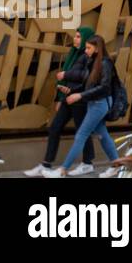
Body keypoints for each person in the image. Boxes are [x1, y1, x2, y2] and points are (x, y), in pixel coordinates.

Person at [43, 36, 121, 177]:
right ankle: (117, 165)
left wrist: (80, 96)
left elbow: (104, 87)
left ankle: (62, 171)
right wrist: (72, 91)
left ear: (97, 48)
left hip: (100, 103)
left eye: (89, 48)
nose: (86, 51)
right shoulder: (92, 62)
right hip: (93, 103)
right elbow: (87, 83)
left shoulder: (105, 63)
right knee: (102, 134)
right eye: (86, 48)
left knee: (81, 135)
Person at [25, 27, 97, 177]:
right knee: (55, 128)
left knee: (82, 132)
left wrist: (67, 75)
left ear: (86, 39)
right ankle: (46, 164)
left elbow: (86, 77)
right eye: (75, 36)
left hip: (79, 99)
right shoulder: (73, 53)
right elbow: (65, 79)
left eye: (78, 37)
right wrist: (60, 98)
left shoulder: (89, 56)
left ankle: (88, 163)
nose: (75, 39)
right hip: (67, 98)